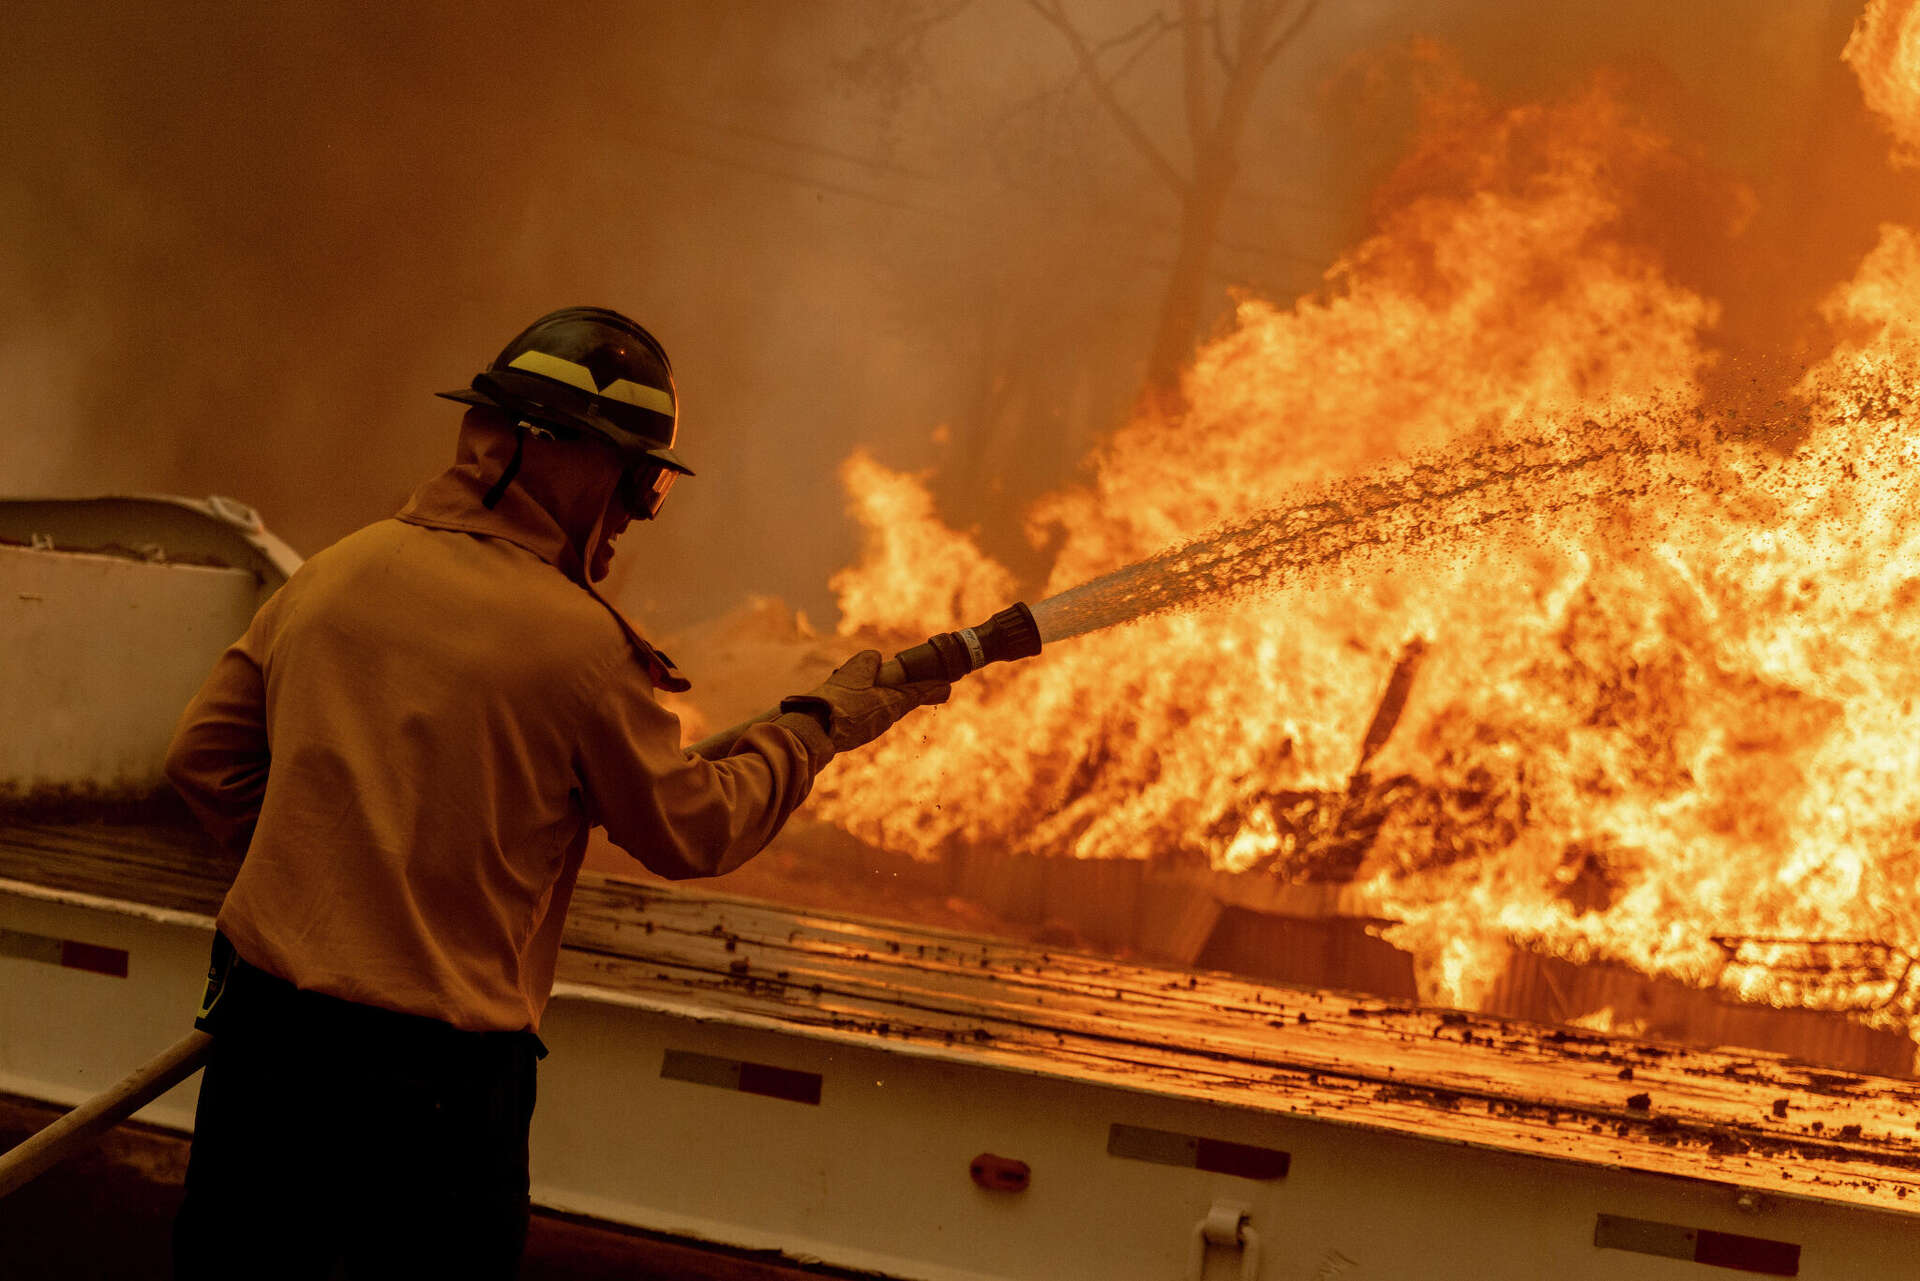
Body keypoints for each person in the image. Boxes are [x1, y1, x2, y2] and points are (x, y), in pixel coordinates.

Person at [162, 306, 949, 1278]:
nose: (633, 515)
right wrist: (819, 728)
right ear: (569, 462)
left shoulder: (334, 574)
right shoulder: (580, 648)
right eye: (638, 483)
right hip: (433, 1105)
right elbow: (692, 829)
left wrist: (333, 875)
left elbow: (203, 760)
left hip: (265, 1058)